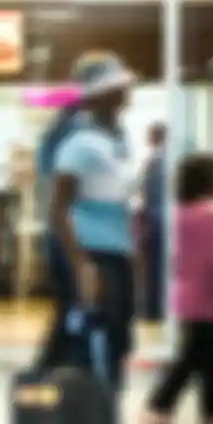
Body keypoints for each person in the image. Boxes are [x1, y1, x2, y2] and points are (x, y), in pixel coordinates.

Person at [49, 54, 139, 392]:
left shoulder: (118, 140)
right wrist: (80, 264)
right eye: (120, 87)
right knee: (97, 340)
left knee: (118, 339)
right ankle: (89, 422)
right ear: (100, 95)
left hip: (118, 249)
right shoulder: (79, 143)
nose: (128, 92)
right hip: (93, 250)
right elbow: (59, 209)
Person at [33, 51, 117, 369]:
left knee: (75, 313)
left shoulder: (67, 125)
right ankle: (51, 380)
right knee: (78, 312)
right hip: (76, 238)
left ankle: (56, 378)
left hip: (72, 236)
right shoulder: (77, 130)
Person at [141, 154, 213, 424]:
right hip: (207, 296)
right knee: (197, 357)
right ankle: (164, 407)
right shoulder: (209, 215)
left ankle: (211, 413)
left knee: (209, 356)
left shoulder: (180, 213)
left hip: (185, 293)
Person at [139, 123, 167, 322]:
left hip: (155, 220)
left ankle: (153, 309)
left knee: (154, 267)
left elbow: (147, 193)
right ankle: (156, 308)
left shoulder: (155, 162)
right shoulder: (166, 160)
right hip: (162, 219)